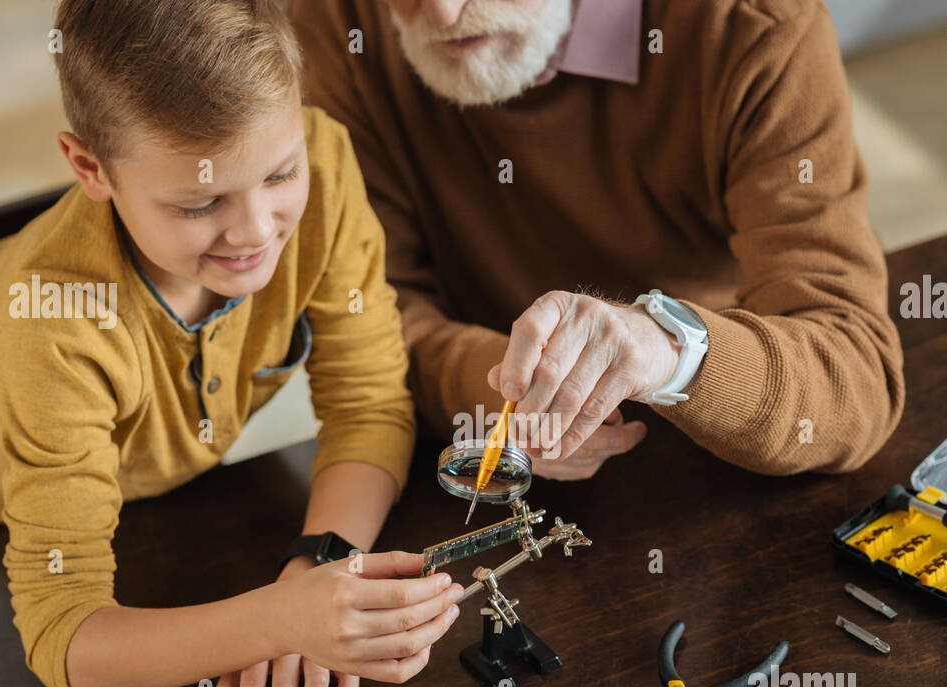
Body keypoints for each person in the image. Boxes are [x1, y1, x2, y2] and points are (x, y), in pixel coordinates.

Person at [0, 0, 462, 687]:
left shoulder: (327, 163)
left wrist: (319, 570)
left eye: (279, 173)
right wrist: (276, 621)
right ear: (89, 168)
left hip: (56, 453)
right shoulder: (53, 324)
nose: (256, 231)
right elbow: (62, 636)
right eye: (201, 202)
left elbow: (369, 405)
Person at [289, 0, 906, 480]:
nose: (443, 16)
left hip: (712, 433)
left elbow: (853, 379)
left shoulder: (754, 26)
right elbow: (370, 319)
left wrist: (666, 348)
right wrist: (514, 393)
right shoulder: (339, 25)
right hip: (489, 452)